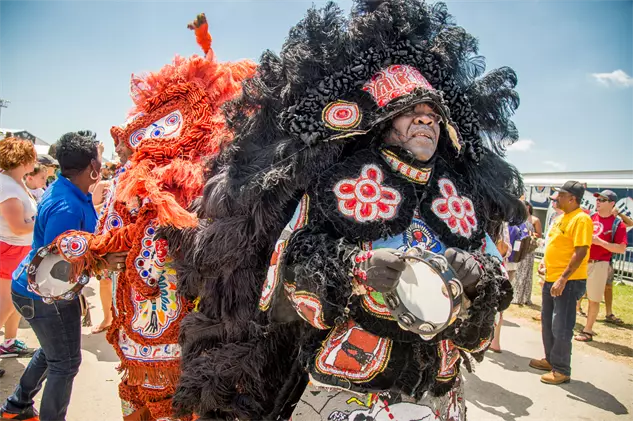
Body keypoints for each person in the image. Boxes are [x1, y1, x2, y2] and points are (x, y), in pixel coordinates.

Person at [169, 2, 526, 419]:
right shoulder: (338, 183)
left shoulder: (459, 198)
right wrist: (356, 269)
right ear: (384, 121)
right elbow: (292, 262)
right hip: (353, 382)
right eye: (412, 112)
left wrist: (477, 276)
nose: (425, 122)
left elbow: (495, 271)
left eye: (433, 116)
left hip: (436, 385)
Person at [53, 15, 256, 421]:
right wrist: (99, 254)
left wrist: (104, 254)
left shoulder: (206, 184)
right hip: (147, 328)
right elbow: (111, 244)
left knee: (176, 400)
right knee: (149, 397)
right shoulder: (129, 186)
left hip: (185, 326)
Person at [0, 131, 102, 421]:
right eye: (98, 156)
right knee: (66, 364)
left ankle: (16, 406)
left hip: (38, 290)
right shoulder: (66, 206)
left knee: (51, 352)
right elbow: (58, 266)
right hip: (45, 294)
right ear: (93, 168)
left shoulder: (71, 192)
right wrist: (104, 258)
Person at [530, 180, 592, 385]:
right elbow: (555, 245)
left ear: (572, 198)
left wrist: (563, 277)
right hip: (551, 278)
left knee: (561, 326)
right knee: (547, 322)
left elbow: (581, 251)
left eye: (561, 195)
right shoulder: (560, 218)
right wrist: (545, 264)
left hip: (568, 281)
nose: (557, 198)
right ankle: (550, 360)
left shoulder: (581, 219)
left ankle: (562, 369)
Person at [0, 137, 37, 358]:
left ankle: (9, 342)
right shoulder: (8, 186)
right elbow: (17, 227)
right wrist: (43, 222)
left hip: (17, 248)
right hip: (11, 248)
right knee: (9, 300)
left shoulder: (13, 182)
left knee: (12, 300)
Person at [574, 190, 627, 342]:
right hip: (582, 260)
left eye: (603, 200)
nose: (598, 201)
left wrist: (600, 242)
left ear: (612, 204)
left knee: (594, 299)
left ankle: (588, 329)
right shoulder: (589, 218)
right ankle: (570, 323)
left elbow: (621, 248)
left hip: (600, 264)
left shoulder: (618, 224)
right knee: (573, 294)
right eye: (597, 199)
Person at [512, 201, 542, 305]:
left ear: (528, 207)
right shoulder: (519, 219)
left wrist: (529, 233)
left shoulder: (535, 220)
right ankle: (515, 296)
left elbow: (539, 234)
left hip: (529, 249)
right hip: (519, 248)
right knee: (518, 272)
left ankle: (524, 297)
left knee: (526, 273)